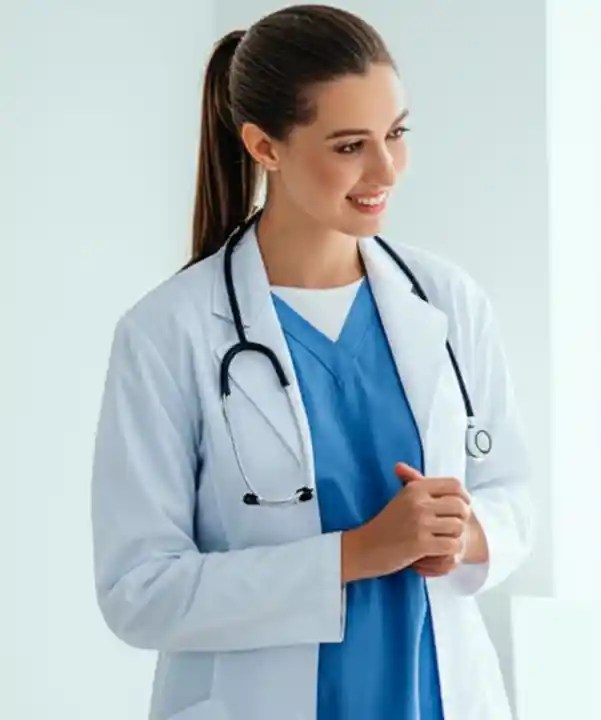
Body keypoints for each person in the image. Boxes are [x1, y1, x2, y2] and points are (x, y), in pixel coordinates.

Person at [90, 6, 533, 719]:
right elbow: (138, 592)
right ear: (264, 146)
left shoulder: (447, 300)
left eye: (396, 134)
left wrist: (469, 531)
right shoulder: (168, 333)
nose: (386, 170)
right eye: (350, 145)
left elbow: (512, 490)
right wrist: (356, 553)